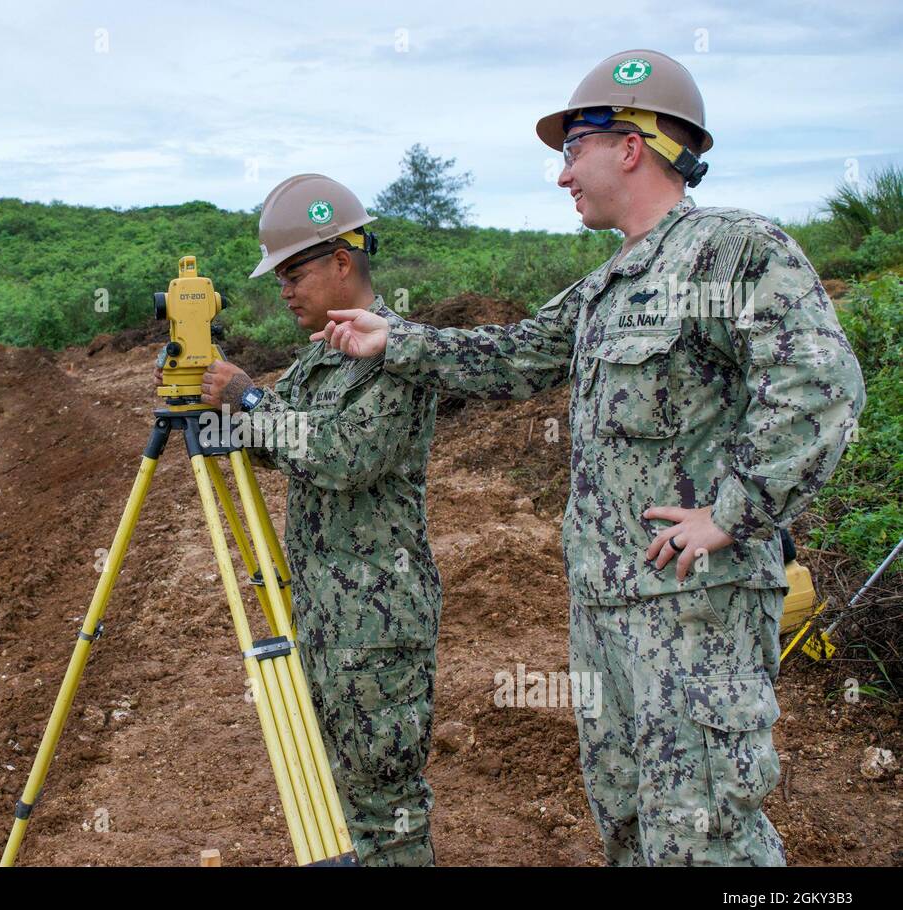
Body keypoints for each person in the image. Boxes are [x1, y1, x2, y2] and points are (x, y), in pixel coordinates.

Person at [311, 50, 866, 865]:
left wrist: (733, 513)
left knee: (703, 837)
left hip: (693, 614)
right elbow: (515, 355)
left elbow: (824, 387)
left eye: (573, 151)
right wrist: (396, 338)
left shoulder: (733, 250)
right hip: (607, 613)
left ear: (631, 146)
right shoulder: (613, 282)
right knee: (631, 827)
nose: (563, 176)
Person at [191, 173, 442, 865]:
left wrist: (247, 401)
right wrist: (214, 412)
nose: (284, 290)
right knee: (339, 796)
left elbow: (342, 455)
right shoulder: (318, 360)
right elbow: (281, 447)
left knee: (384, 805)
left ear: (341, 260)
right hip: (325, 615)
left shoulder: (397, 352)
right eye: (278, 277)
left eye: (294, 271)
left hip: (377, 624)